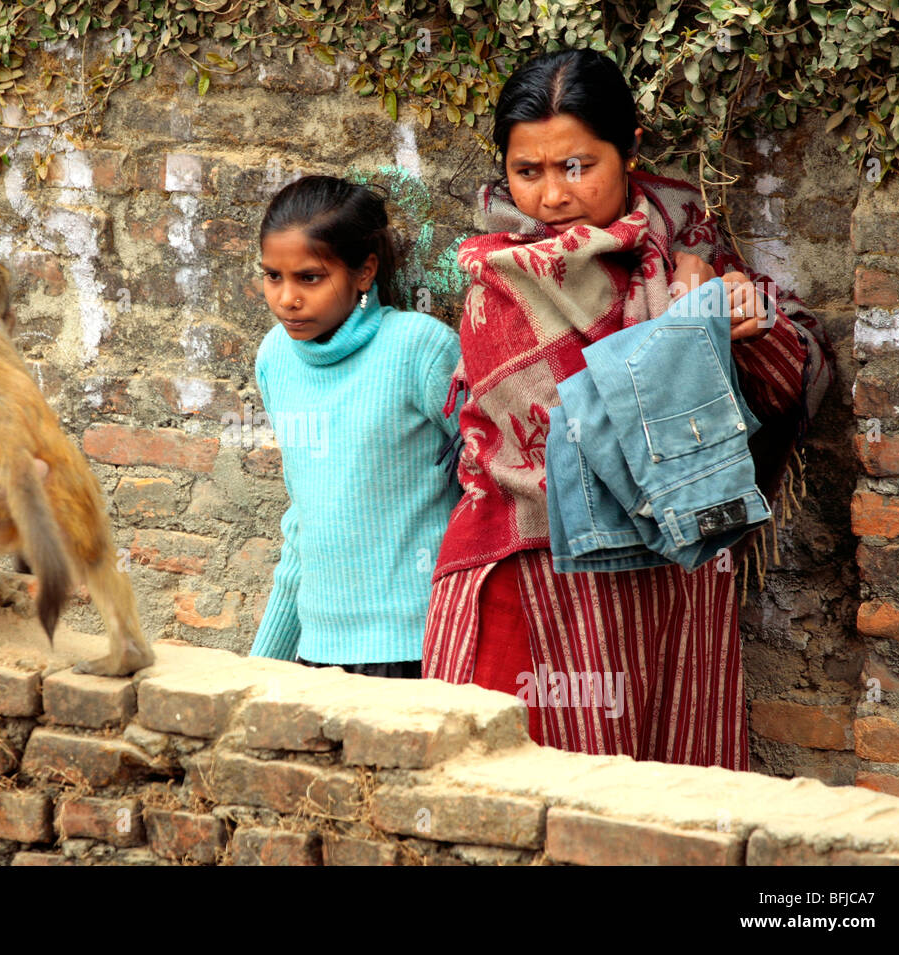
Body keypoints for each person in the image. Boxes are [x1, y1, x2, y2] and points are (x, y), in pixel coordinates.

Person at [423, 49, 832, 768]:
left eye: (577, 166)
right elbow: (559, 431)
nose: (551, 197)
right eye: (529, 171)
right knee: (505, 790)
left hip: (677, 567)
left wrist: (737, 312)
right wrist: (683, 331)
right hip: (535, 565)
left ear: (631, 147)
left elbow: (781, 378)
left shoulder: (688, 245)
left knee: (660, 800)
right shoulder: (498, 275)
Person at [247, 175, 461, 678]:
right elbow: (306, 515)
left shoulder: (420, 350)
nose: (286, 299)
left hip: (417, 647)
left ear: (365, 272)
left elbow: (491, 478)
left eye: (309, 277)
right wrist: (264, 665)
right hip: (316, 649)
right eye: (272, 276)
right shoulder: (275, 357)